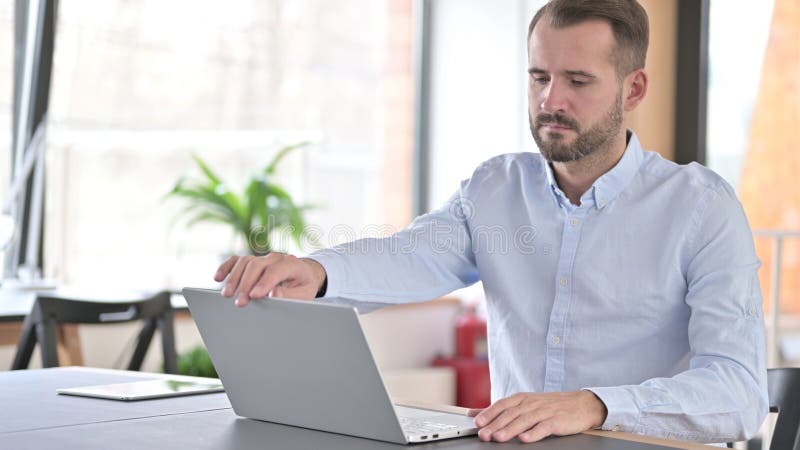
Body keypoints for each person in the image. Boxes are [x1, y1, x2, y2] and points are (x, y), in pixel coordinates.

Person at [214, 0, 768, 444]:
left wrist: (594, 404)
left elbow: (738, 395)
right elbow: (416, 253)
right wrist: (315, 271)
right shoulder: (496, 188)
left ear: (634, 89)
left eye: (577, 81)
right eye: (539, 77)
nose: (551, 101)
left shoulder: (701, 210)